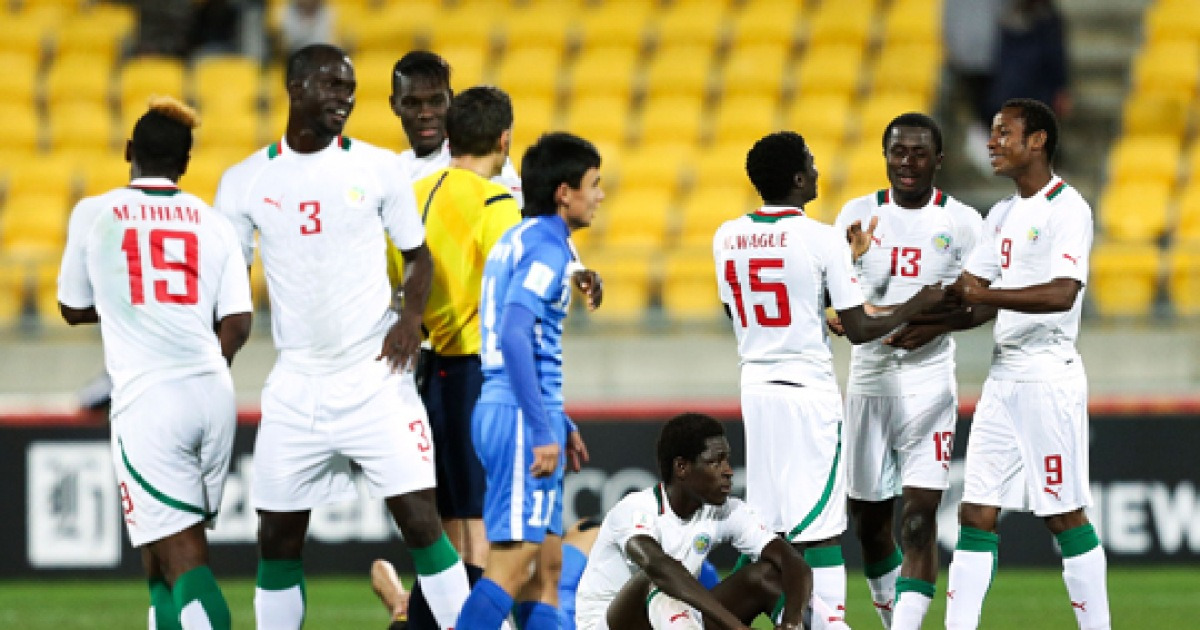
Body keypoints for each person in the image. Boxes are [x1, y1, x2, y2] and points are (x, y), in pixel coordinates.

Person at [213, 44, 470, 629]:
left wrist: (409, 317)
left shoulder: (377, 167)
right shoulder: (245, 182)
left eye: (349, 88)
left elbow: (418, 258)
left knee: (422, 524)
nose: (344, 97)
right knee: (276, 537)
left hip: (376, 376)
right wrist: (215, 356)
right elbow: (230, 292)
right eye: (331, 85)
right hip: (297, 384)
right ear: (295, 88)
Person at [887, 99, 1107, 630]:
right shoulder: (1002, 215)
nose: (991, 143)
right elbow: (974, 299)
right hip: (1004, 377)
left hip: (1048, 377)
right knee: (975, 511)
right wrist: (906, 321)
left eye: (1004, 133)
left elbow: (1062, 294)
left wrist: (988, 293)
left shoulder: (1068, 208)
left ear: (1038, 141)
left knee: (1063, 514)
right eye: (991, 132)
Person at [713, 131, 946, 630]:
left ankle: (748, 615)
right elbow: (860, 329)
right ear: (798, 178)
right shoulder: (820, 239)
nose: (818, 171)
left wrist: (849, 261)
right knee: (819, 528)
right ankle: (828, 623)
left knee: (770, 528)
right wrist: (916, 304)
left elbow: (743, 307)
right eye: (812, 164)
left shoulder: (725, 236)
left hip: (755, 390)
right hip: (807, 397)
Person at [57, 96, 254, 630]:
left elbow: (73, 308)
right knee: (159, 556)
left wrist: (129, 304)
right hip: (212, 395)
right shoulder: (213, 223)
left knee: (183, 554)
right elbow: (238, 323)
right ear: (185, 163)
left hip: (149, 403)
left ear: (128, 152)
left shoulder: (94, 213)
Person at [832, 113, 983, 629]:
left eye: (919, 153)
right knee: (870, 525)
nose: (908, 163)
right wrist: (838, 309)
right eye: (898, 152)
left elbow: (985, 302)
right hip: (869, 378)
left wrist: (935, 325)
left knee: (918, 522)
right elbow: (836, 294)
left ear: (938, 159)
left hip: (929, 381)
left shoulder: (962, 221)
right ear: (885, 156)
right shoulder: (855, 213)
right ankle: (889, 617)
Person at [455, 132, 600, 630]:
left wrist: (558, 419)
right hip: (518, 417)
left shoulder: (524, 238)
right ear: (565, 192)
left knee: (549, 569)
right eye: (594, 185)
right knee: (512, 568)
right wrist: (542, 430)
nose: (599, 196)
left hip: (519, 408)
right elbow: (516, 334)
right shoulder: (547, 251)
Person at [575, 412, 817, 630]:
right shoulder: (634, 509)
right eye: (715, 461)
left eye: (727, 460)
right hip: (612, 625)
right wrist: (736, 627)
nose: (728, 471)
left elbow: (792, 561)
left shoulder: (724, 511)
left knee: (764, 577)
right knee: (657, 578)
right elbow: (657, 567)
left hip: (675, 619)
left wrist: (792, 621)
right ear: (682, 467)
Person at [389, 50, 523, 201]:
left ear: (450, 99)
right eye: (412, 103)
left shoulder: (479, 159)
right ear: (395, 105)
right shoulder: (389, 172)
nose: (425, 114)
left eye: (436, 101)